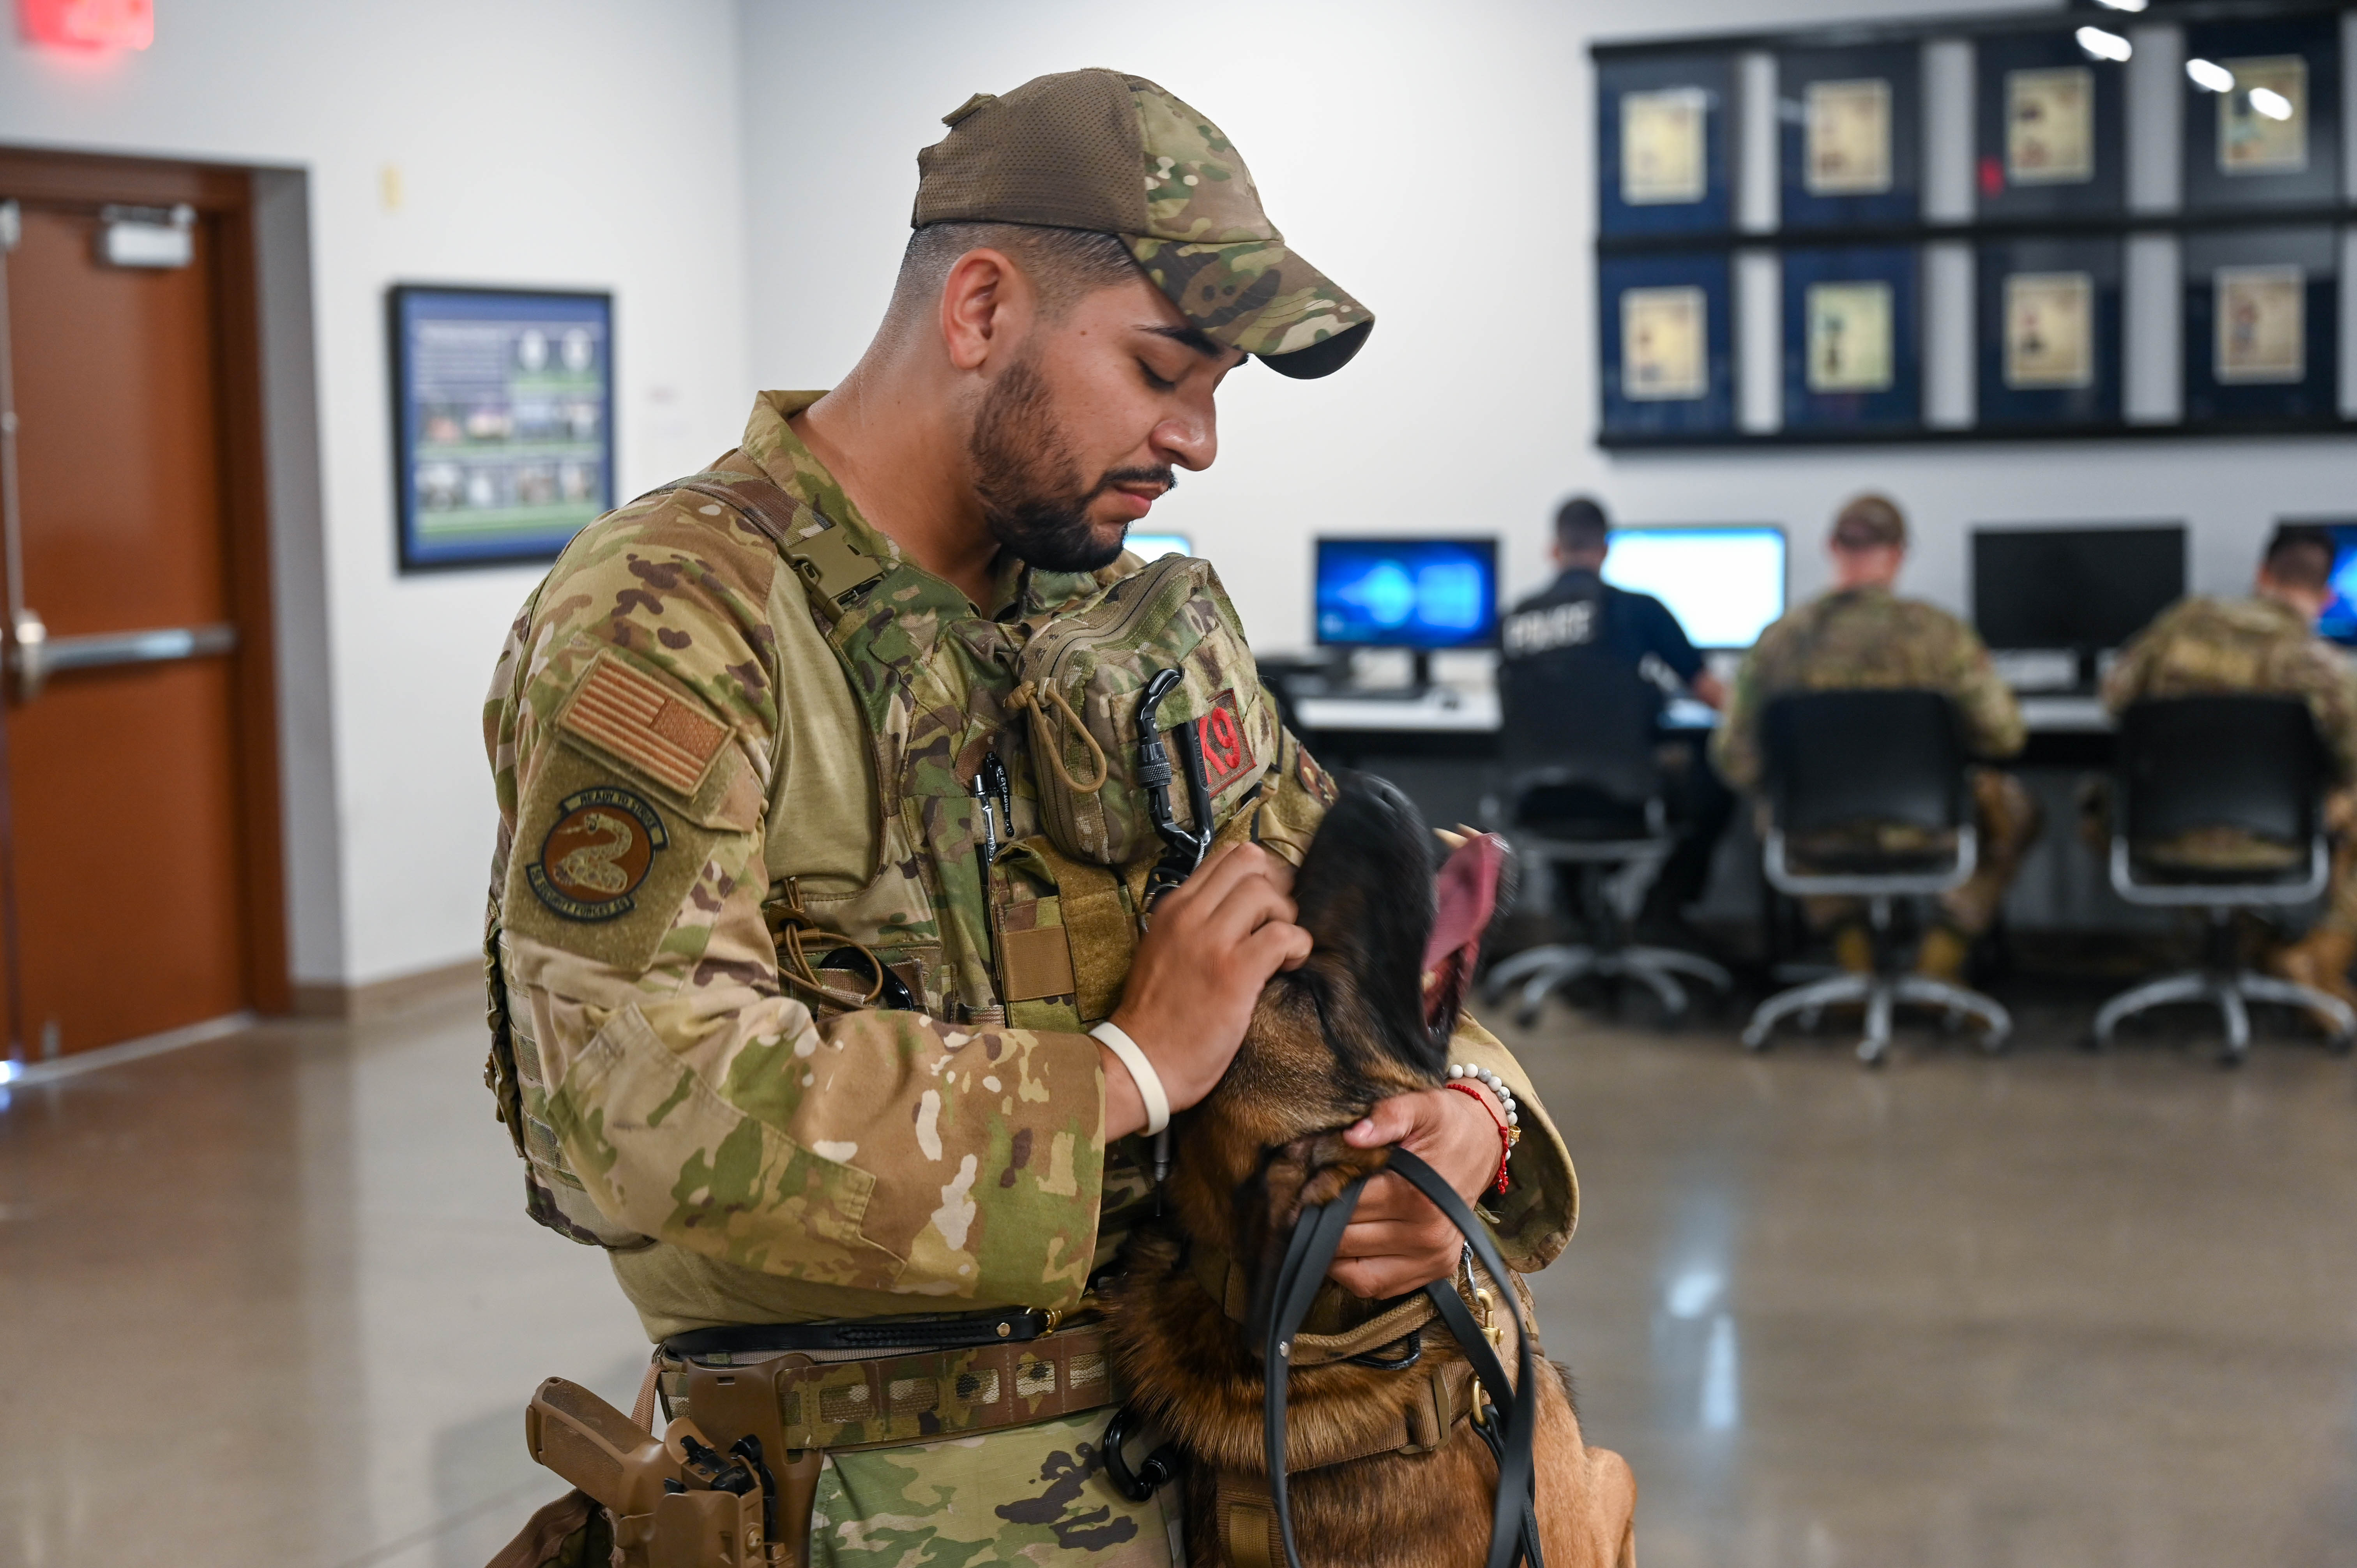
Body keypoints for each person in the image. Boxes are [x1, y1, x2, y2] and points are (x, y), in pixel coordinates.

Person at [481, 69, 1577, 1566]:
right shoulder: (677, 616)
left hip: (1230, 1479)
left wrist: (1467, 1125)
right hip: (876, 1508)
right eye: (1158, 369)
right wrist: (1122, 1070)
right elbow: (628, 1110)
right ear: (981, 307)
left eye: (1215, 392)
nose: (1195, 439)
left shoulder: (1139, 634)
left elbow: (1355, 960)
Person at [1714, 493, 2042, 981]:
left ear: (1831, 547)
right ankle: (1940, 960)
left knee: (1772, 808)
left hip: (1813, 835)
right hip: (1929, 830)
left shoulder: (1778, 642)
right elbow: (2006, 737)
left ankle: (1855, 964)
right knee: (2016, 808)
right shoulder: (1941, 635)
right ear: (1899, 553)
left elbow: (1733, 760)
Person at [2101, 523, 2357, 1017]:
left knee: (2097, 800)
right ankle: (2316, 953)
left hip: (2164, 836)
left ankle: (2252, 942)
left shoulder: (2177, 627)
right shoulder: (2323, 666)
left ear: (2261, 574)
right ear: (2325, 599)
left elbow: (2114, 702)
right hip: (2280, 839)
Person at [1498, 496, 1733, 941]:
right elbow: (1709, 693)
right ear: (1606, 549)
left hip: (1537, 799)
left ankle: (1576, 914)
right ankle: (1661, 910)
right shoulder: (1639, 610)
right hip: (1626, 799)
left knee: (1574, 785)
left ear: (1554, 550)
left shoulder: (1515, 619)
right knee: (1718, 776)